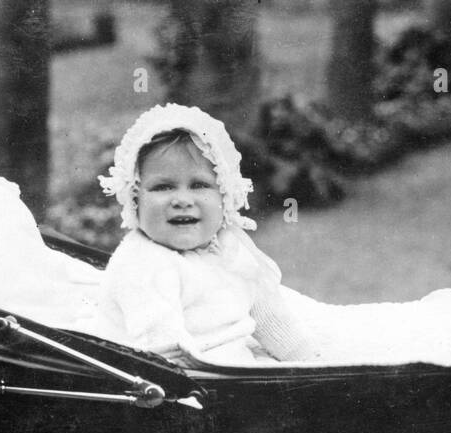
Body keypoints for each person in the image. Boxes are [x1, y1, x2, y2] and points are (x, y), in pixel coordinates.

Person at [94, 104, 320, 367]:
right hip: (181, 377)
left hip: (229, 368)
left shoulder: (229, 247)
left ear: (225, 194)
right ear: (135, 198)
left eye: (199, 185)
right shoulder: (141, 262)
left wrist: (309, 361)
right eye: (163, 187)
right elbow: (162, 349)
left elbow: (267, 315)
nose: (182, 200)